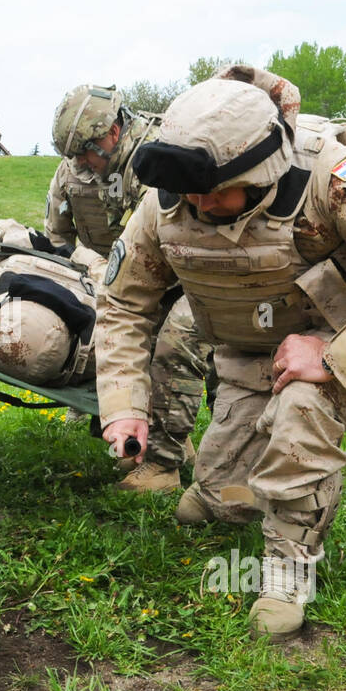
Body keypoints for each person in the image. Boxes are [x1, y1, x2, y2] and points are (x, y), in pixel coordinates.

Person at [98, 66, 346, 639]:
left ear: (260, 170)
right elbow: (123, 305)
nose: (196, 201)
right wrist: (123, 404)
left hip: (332, 356)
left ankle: (288, 571)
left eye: (214, 191)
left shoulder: (331, 177)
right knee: (222, 498)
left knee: (299, 415)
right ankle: (227, 485)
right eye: (190, 189)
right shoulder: (167, 201)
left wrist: (337, 357)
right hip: (244, 360)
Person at [48, 84, 212, 492]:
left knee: (179, 353)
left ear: (112, 134)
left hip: (179, 282)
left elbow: (183, 245)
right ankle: (153, 443)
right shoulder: (73, 170)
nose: (80, 163)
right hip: (109, 281)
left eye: (86, 150)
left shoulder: (158, 160)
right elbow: (57, 236)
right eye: (73, 155)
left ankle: (174, 462)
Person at [0, 218, 104, 386]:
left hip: (28, 260)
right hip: (81, 274)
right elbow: (115, 285)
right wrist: (84, 257)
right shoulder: (100, 348)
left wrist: (26, 239)